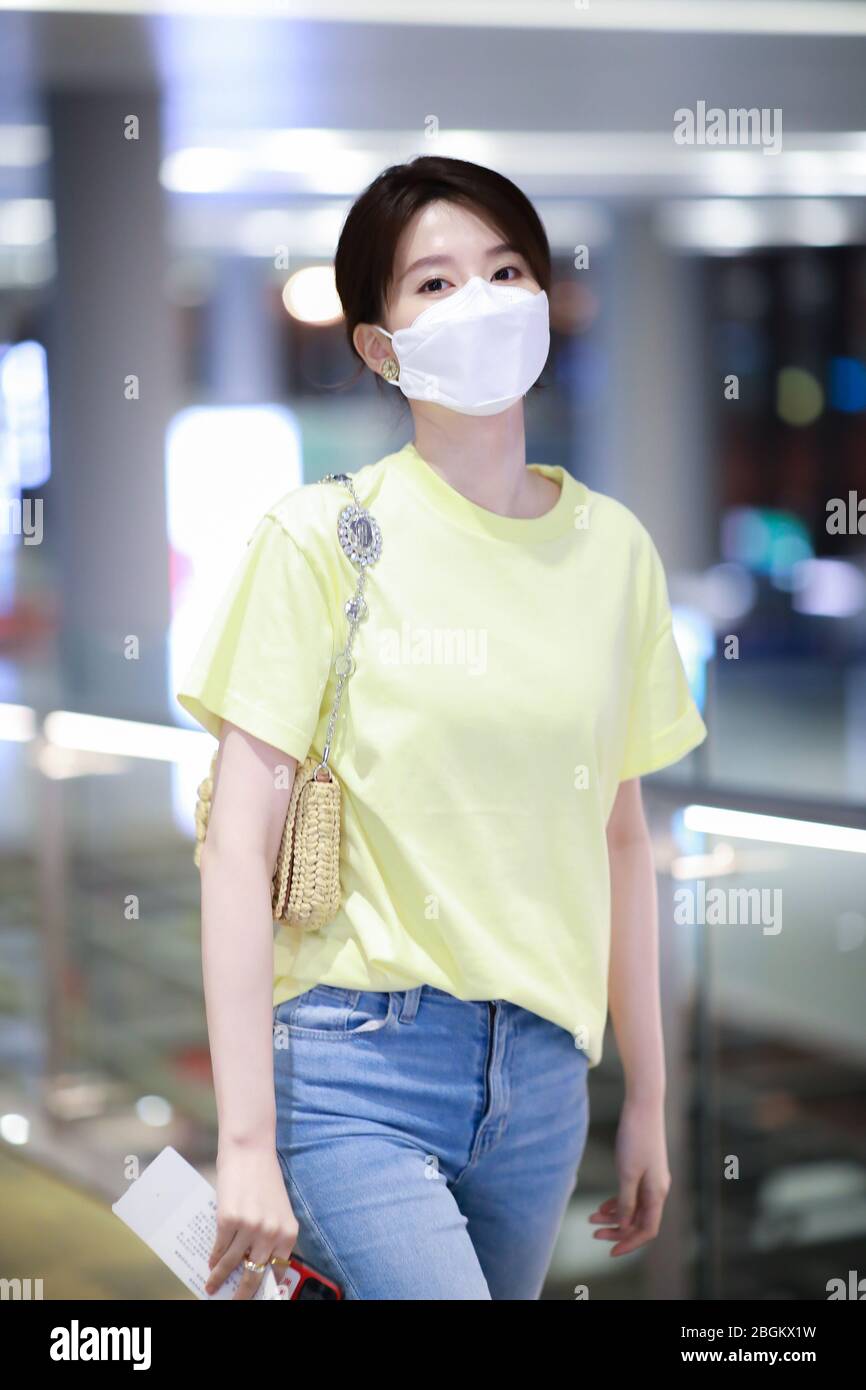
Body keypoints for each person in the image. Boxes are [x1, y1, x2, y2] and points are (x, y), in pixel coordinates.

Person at [176, 154, 707, 1301]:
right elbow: (232, 849)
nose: (480, 299)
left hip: (543, 1084)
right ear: (377, 344)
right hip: (351, 1066)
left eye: (505, 267)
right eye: (432, 283)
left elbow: (620, 839)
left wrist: (650, 1102)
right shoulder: (321, 537)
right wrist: (245, 1137)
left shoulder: (613, 549)